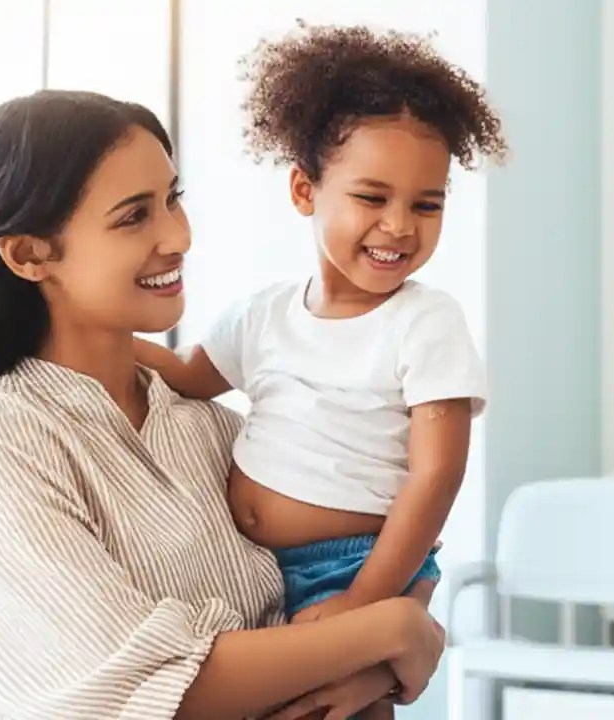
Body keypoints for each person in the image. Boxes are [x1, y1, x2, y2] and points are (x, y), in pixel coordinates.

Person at [0, 89, 446, 720]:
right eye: (132, 216)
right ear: (30, 254)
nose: (178, 236)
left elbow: (370, 553)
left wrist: (372, 665)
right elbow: (127, 690)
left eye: (173, 199)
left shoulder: (219, 433)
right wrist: (388, 635)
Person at [135, 25, 504, 719]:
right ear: (305, 190)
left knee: (345, 709)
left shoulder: (427, 323)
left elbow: (437, 474)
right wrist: (102, 334)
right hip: (249, 571)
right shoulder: (264, 314)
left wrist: (366, 599)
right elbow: (187, 375)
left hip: (359, 564)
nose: (400, 226)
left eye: (427, 204)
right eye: (373, 198)